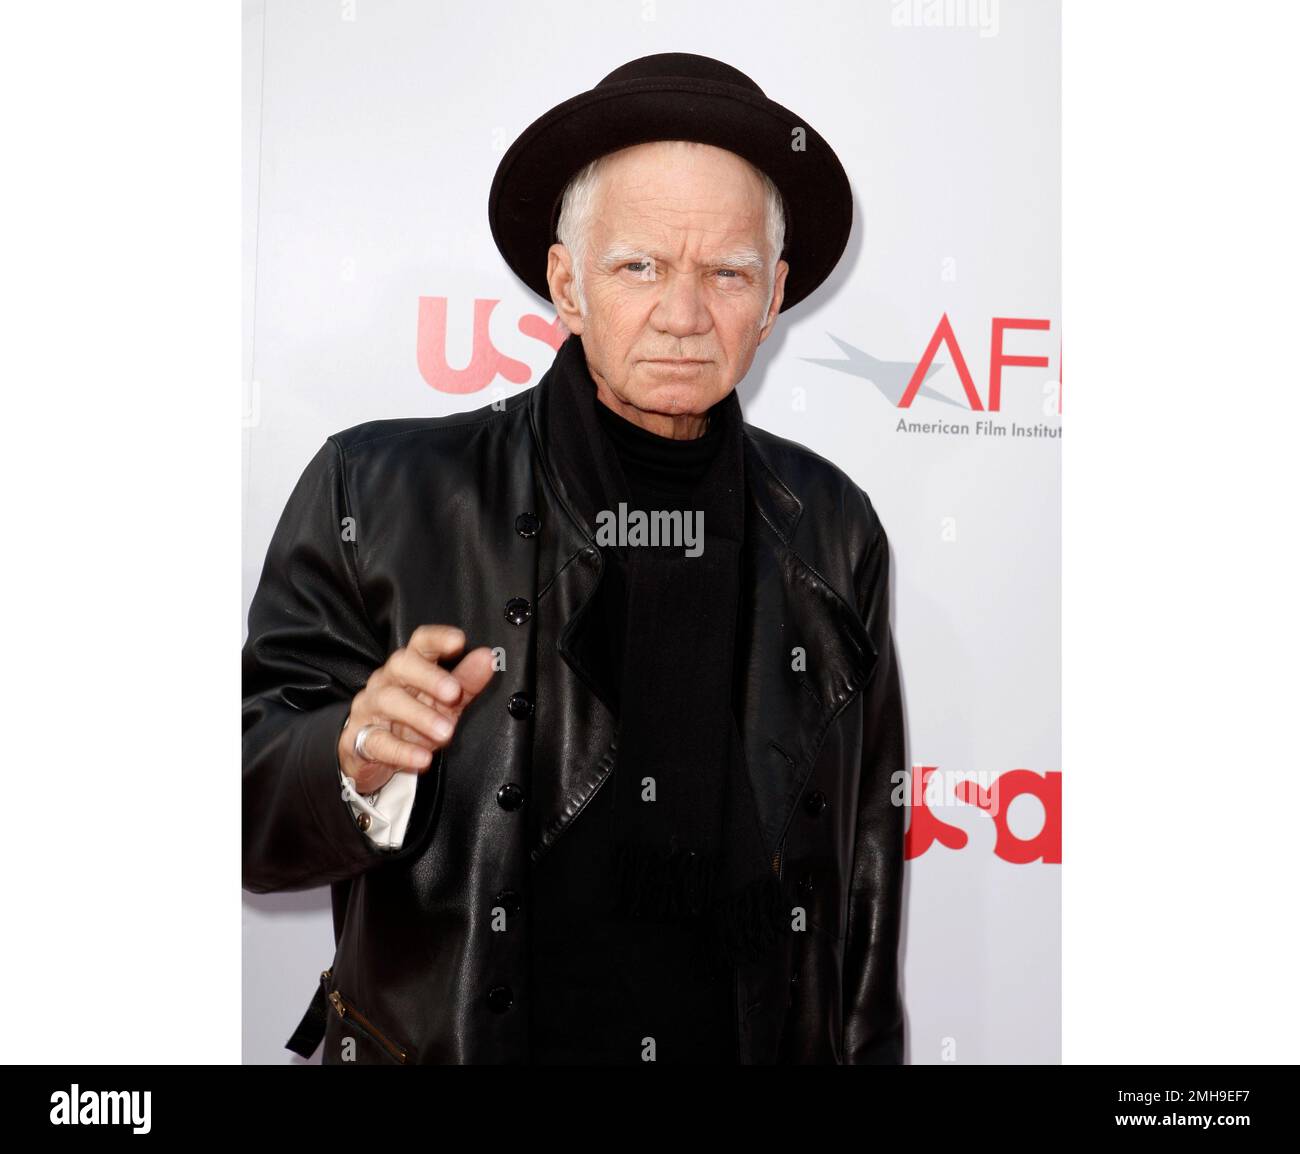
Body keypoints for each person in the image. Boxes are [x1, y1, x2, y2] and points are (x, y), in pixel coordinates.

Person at [243, 51, 907, 1064]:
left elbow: (860, 888)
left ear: (771, 294)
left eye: (725, 272)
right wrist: (348, 755)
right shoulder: (376, 491)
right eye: (638, 264)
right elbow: (246, 808)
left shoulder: (831, 526)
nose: (683, 316)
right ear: (566, 280)